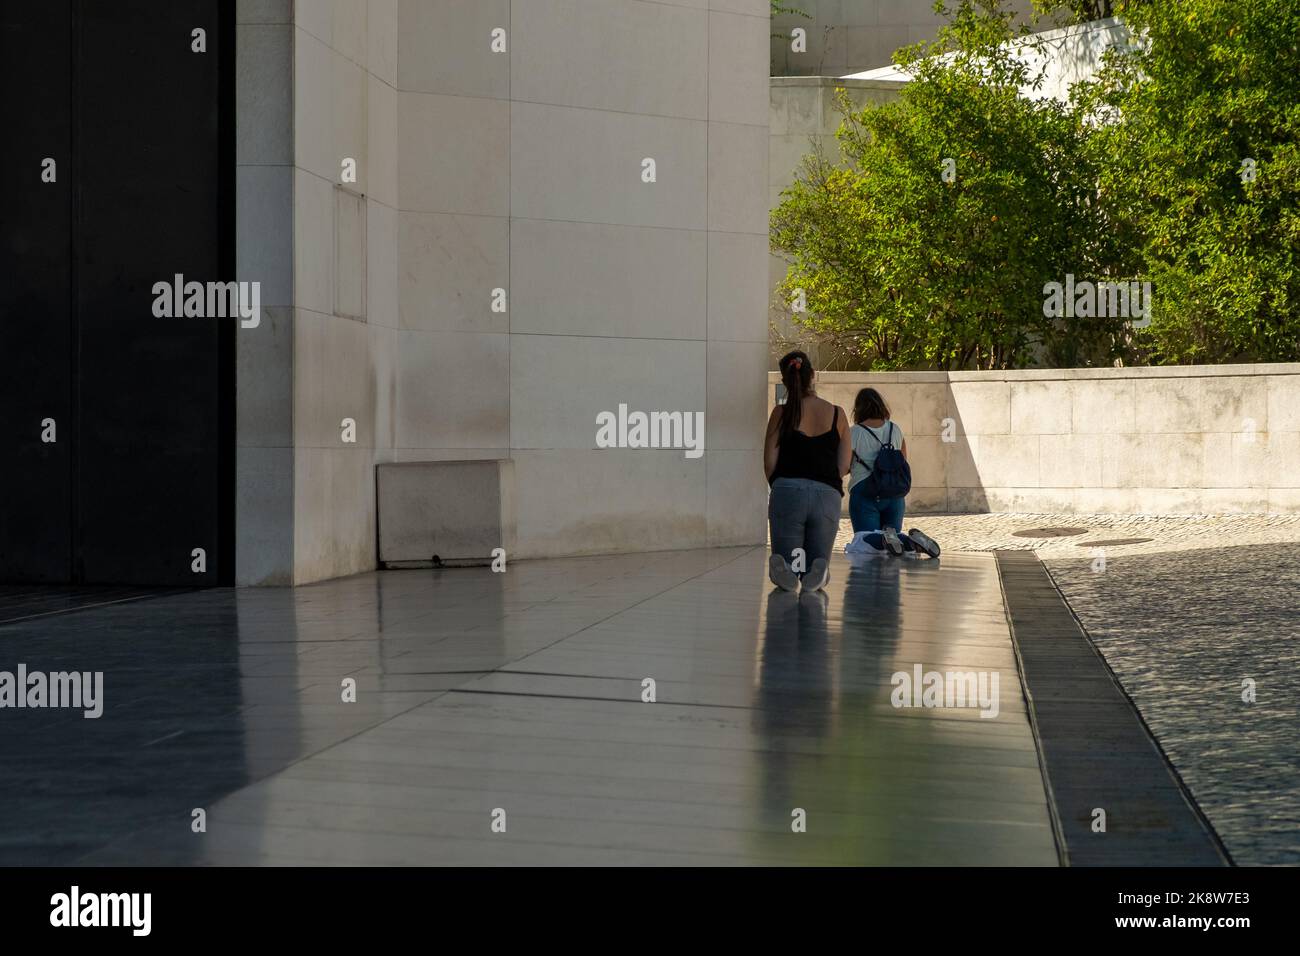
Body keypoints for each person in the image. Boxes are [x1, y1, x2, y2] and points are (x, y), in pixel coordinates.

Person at [764, 351, 850, 592]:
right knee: (815, 565)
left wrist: (782, 487)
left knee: (788, 561)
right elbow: (843, 465)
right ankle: (818, 570)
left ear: (785, 381)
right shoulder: (837, 414)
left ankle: (786, 571)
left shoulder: (780, 414)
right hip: (827, 495)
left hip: (787, 491)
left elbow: (769, 463)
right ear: (812, 376)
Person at [845, 387, 940, 559]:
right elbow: (902, 460)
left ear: (858, 409)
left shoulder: (854, 432)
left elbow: (844, 465)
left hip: (865, 492)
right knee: (894, 548)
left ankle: (884, 537)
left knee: (863, 540)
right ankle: (912, 542)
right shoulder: (895, 430)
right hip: (894, 494)